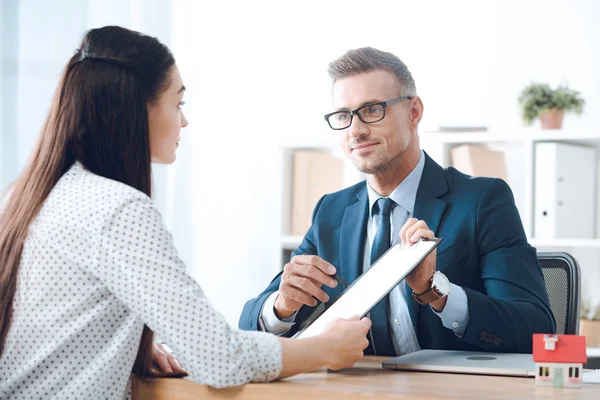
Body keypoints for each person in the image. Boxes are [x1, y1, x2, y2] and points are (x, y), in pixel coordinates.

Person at [0, 26, 371, 399]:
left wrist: (134, 348)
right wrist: (324, 348)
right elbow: (218, 358)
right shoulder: (118, 209)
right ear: (135, 108)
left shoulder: (25, 196)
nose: (184, 121)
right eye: (178, 103)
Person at [239, 47, 555, 356]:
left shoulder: (482, 201)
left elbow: (536, 330)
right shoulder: (331, 212)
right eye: (343, 115)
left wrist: (435, 290)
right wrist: (282, 307)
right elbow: (249, 327)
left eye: (373, 110)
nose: (356, 130)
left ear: (413, 112)